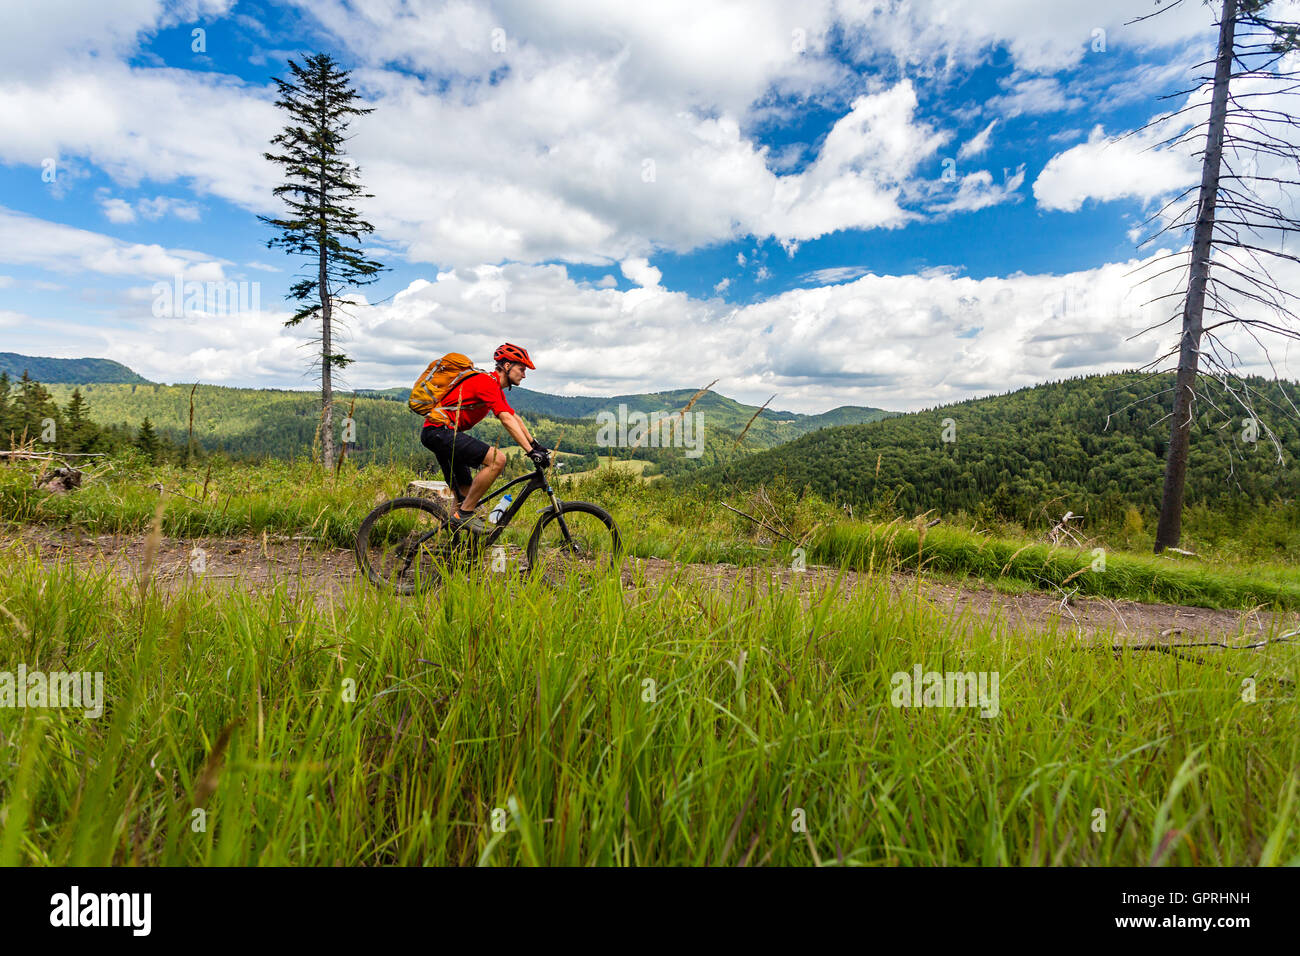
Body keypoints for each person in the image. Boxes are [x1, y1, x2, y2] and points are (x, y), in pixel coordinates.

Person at [419, 343, 551, 533]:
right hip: (439, 432)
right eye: (521, 369)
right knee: (498, 460)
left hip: (441, 434)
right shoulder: (486, 382)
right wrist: (530, 452)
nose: (524, 374)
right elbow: (505, 418)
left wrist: (535, 445)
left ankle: (454, 548)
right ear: (507, 366)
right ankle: (464, 515)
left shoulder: (493, 386)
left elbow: (513, 416)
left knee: (464, 494)